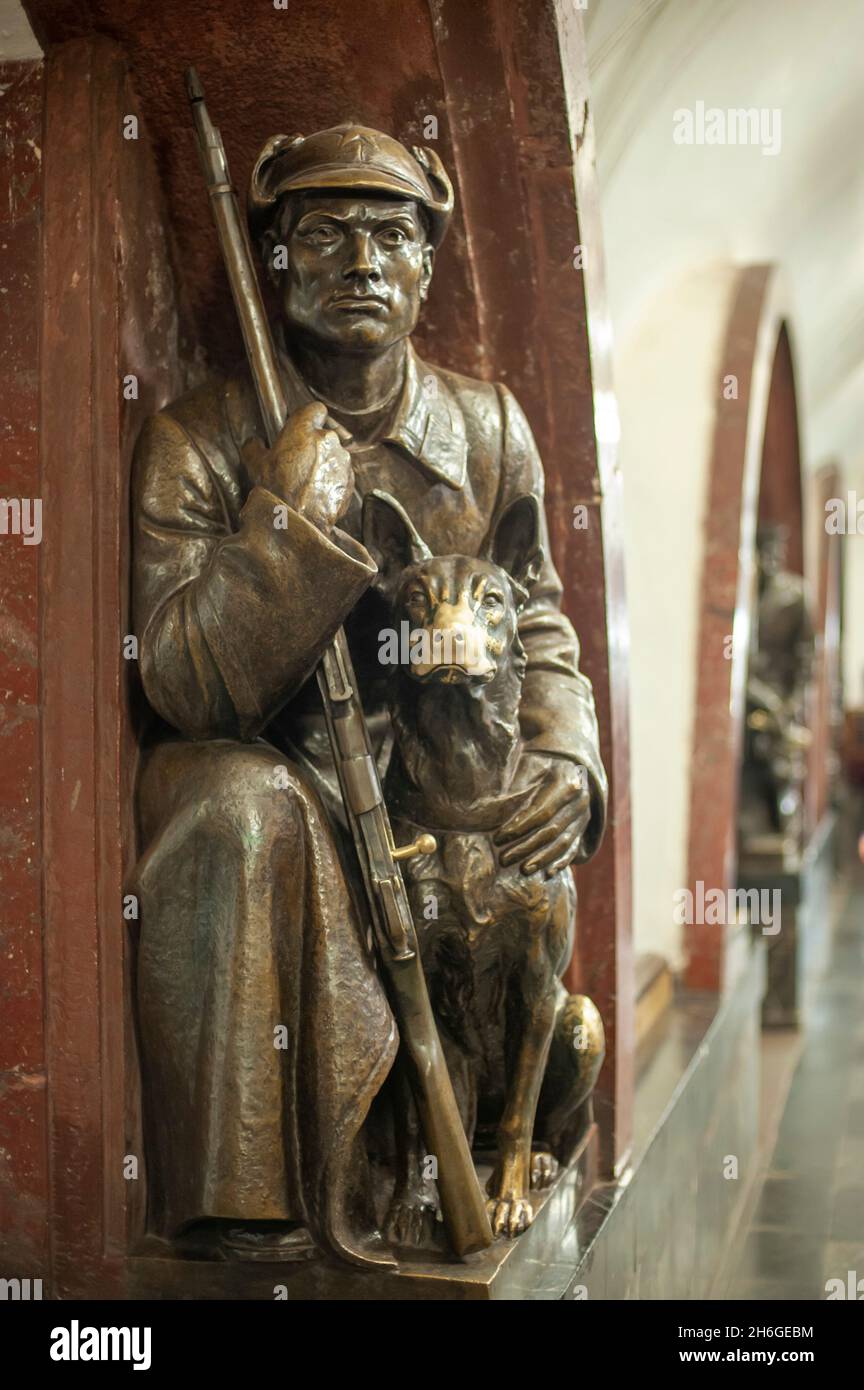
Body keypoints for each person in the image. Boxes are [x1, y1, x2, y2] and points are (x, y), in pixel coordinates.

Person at [131, 124, 607, 1266]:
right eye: (326, 233)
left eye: (391, 235)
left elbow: (537, 607)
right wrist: (286, 533)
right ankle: (253, 1211)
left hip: (445, 789)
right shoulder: (201, 438)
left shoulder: (487, 430)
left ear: (428, 268)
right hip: (297, 778)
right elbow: (182, 677)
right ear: (278, 257)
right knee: (234, 805)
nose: (361, 261)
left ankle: (477, 1154)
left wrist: (567, 753)